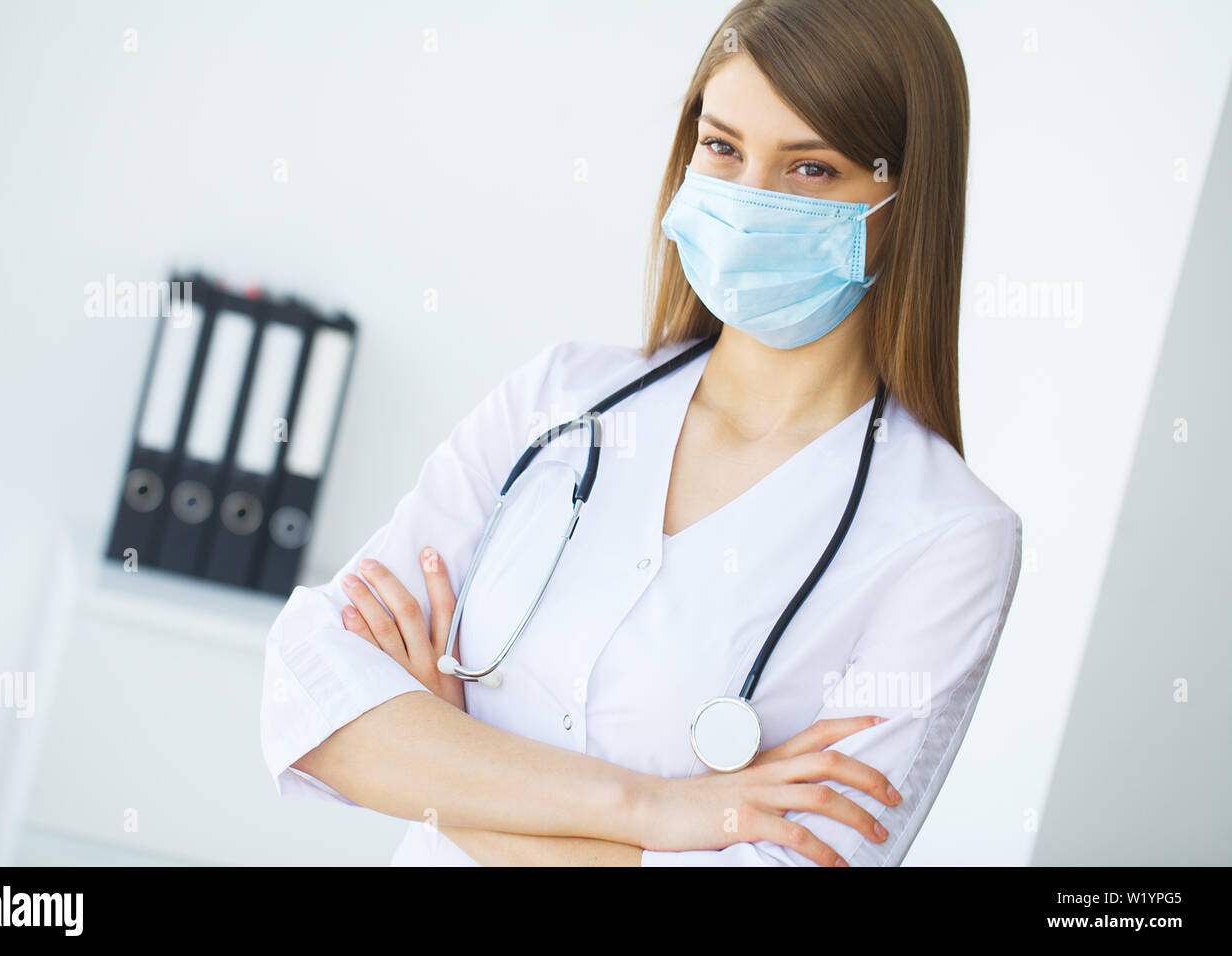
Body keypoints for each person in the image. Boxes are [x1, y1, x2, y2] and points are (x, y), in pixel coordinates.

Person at [259, 0, 1021, 866]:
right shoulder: (558, 398)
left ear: (906, 197)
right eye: (723, 147)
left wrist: (445, 769)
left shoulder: (948, 538)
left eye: (811, 169)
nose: (747, 199)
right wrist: (657, 814)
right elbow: (310, 696)